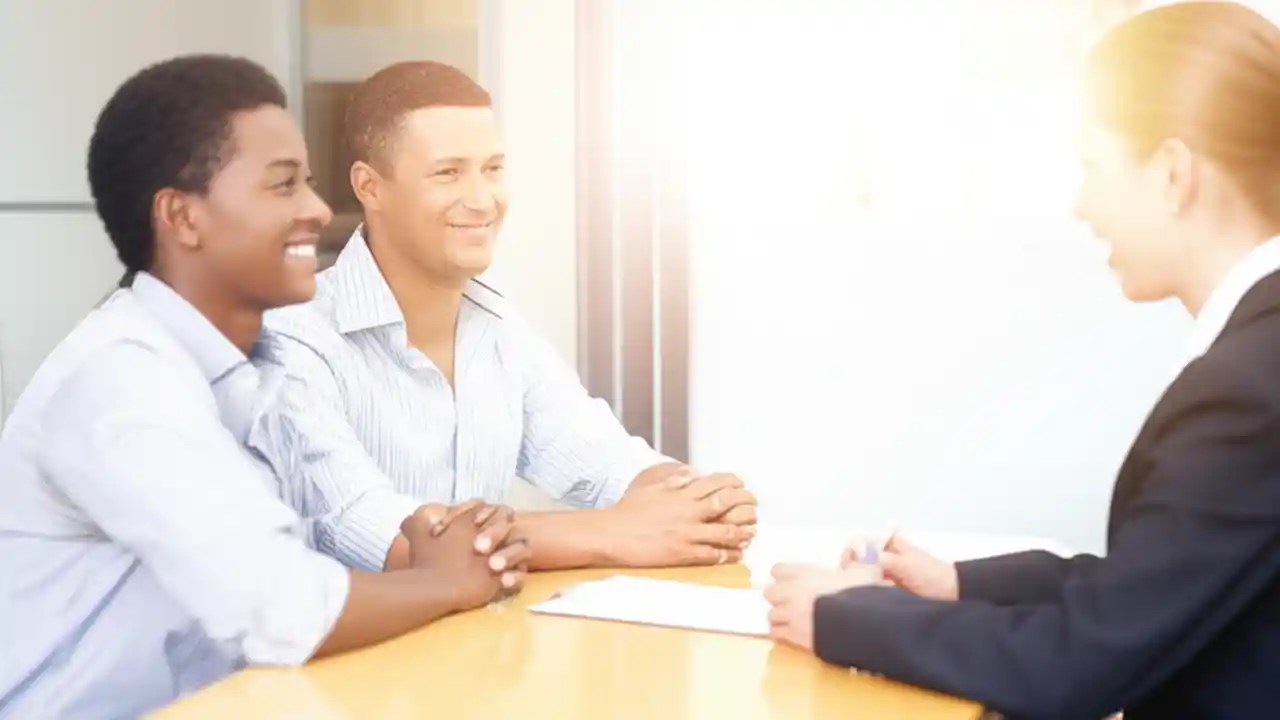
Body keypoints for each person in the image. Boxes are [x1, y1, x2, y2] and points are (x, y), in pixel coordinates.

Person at [764, 4, 1280, 718]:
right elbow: (1162, 580)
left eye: (1093, 167)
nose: (1080, 204)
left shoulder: (1249, 387)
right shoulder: (1257, 353)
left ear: (1171, 175)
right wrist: (955, 584)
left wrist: (845, 617)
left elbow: (1077, 664)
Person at [0, 55, 528, 720]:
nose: (316, 208)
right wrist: (445, 581)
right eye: (282, 188)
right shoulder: (119, 384)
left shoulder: (258, 367)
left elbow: (314, 550)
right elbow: (287, 612)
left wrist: (425, 542)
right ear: (182, 219)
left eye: (308, 182)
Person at [255, 61, 758, 573]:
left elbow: (603, 459)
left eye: (492, 169)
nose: (481, 200)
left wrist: (698, 502)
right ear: (370, 187)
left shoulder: (499, 328)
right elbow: (384, 536)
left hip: (482, 642)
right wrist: (613, 533)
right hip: (351, 651)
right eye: (448, 172)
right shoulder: (293, 340)